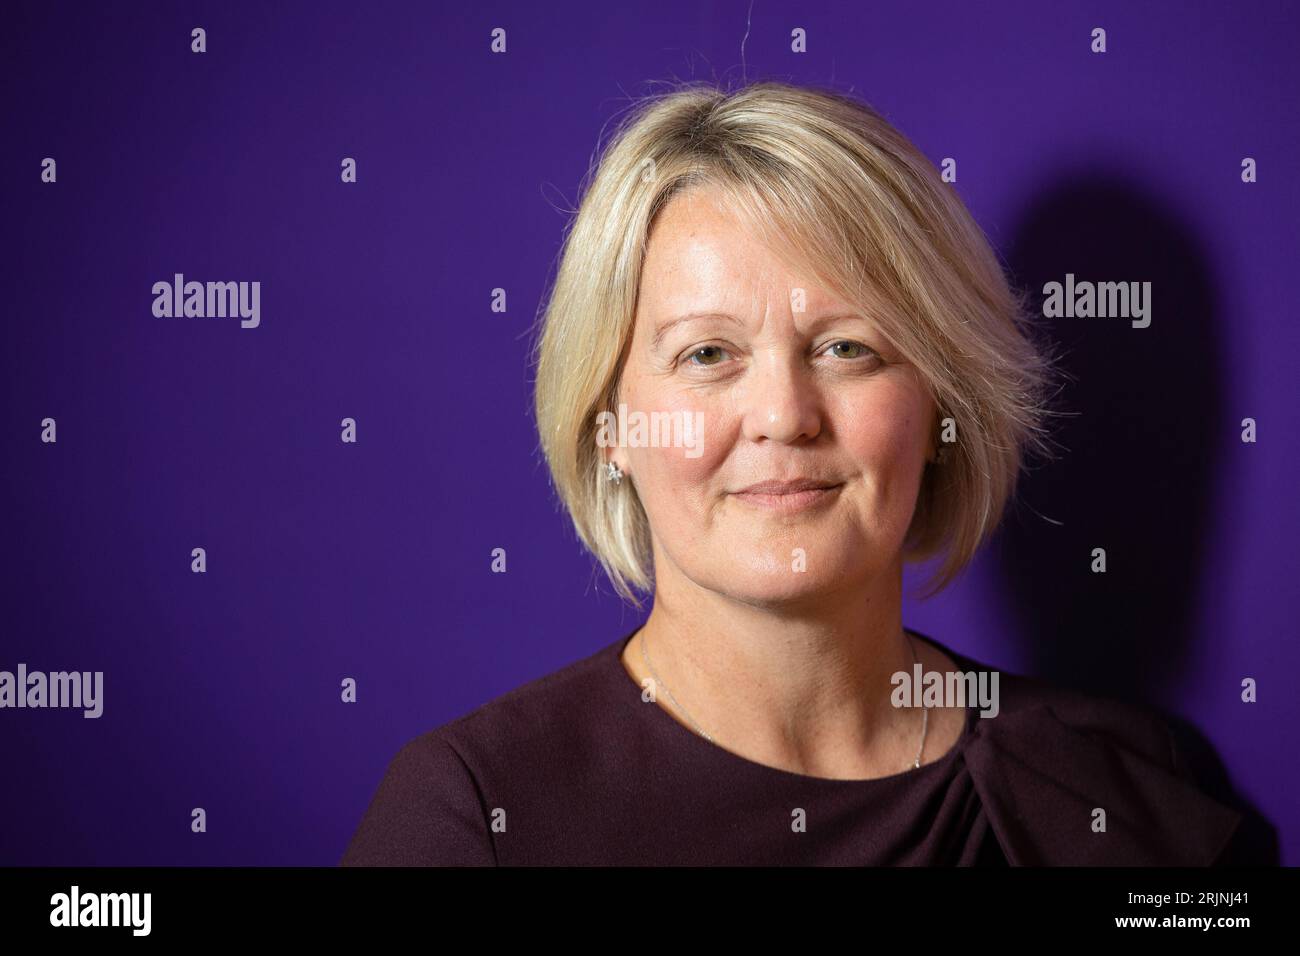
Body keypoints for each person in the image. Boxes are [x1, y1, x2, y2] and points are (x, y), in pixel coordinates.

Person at [340, 80, 1242, 866]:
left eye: (848, 348)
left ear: (942, 407)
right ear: (609, 424)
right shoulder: (476, 818)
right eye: (707, 354)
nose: (783, 415)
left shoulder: (1131, 793)